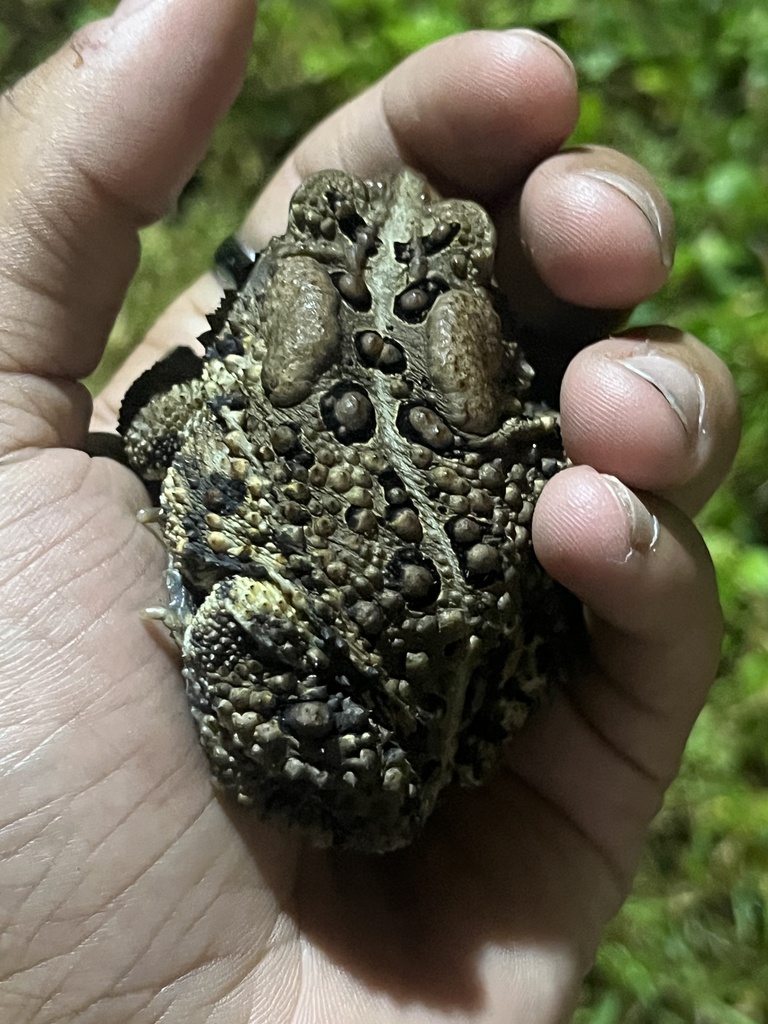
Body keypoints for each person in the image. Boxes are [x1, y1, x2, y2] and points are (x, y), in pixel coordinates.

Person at [0, 1, 741, 1021]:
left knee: (248, 610)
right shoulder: (475, 401)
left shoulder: (236, 399)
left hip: (343, 682)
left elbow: (165, 441)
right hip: (473, 706)